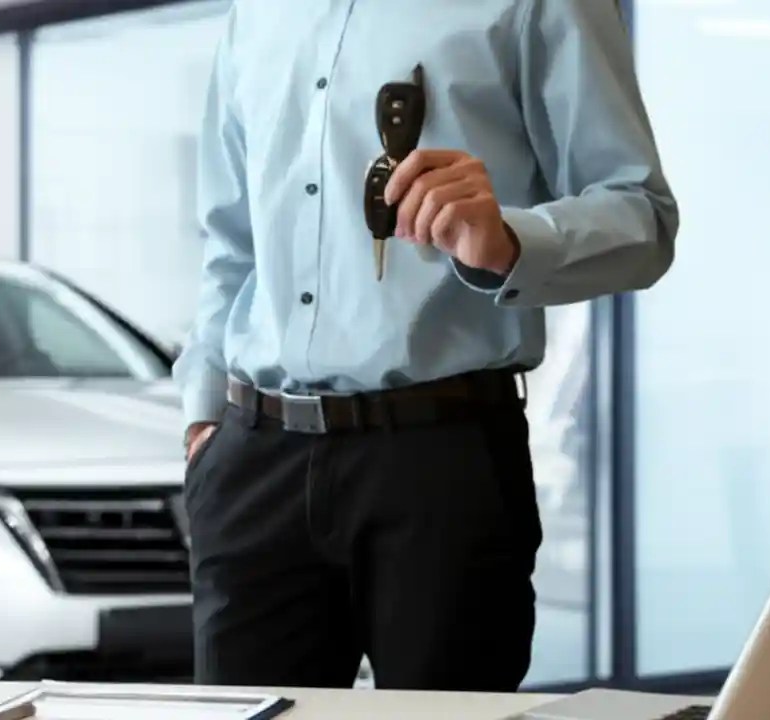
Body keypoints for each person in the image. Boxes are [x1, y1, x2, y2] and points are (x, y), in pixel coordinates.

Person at [174, 0, 677, 692]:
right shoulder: (258, 13)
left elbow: (642, 215)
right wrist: (204, 418)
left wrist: (509, 239)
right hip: (252, 462)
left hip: (440, 461)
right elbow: (232, 242)